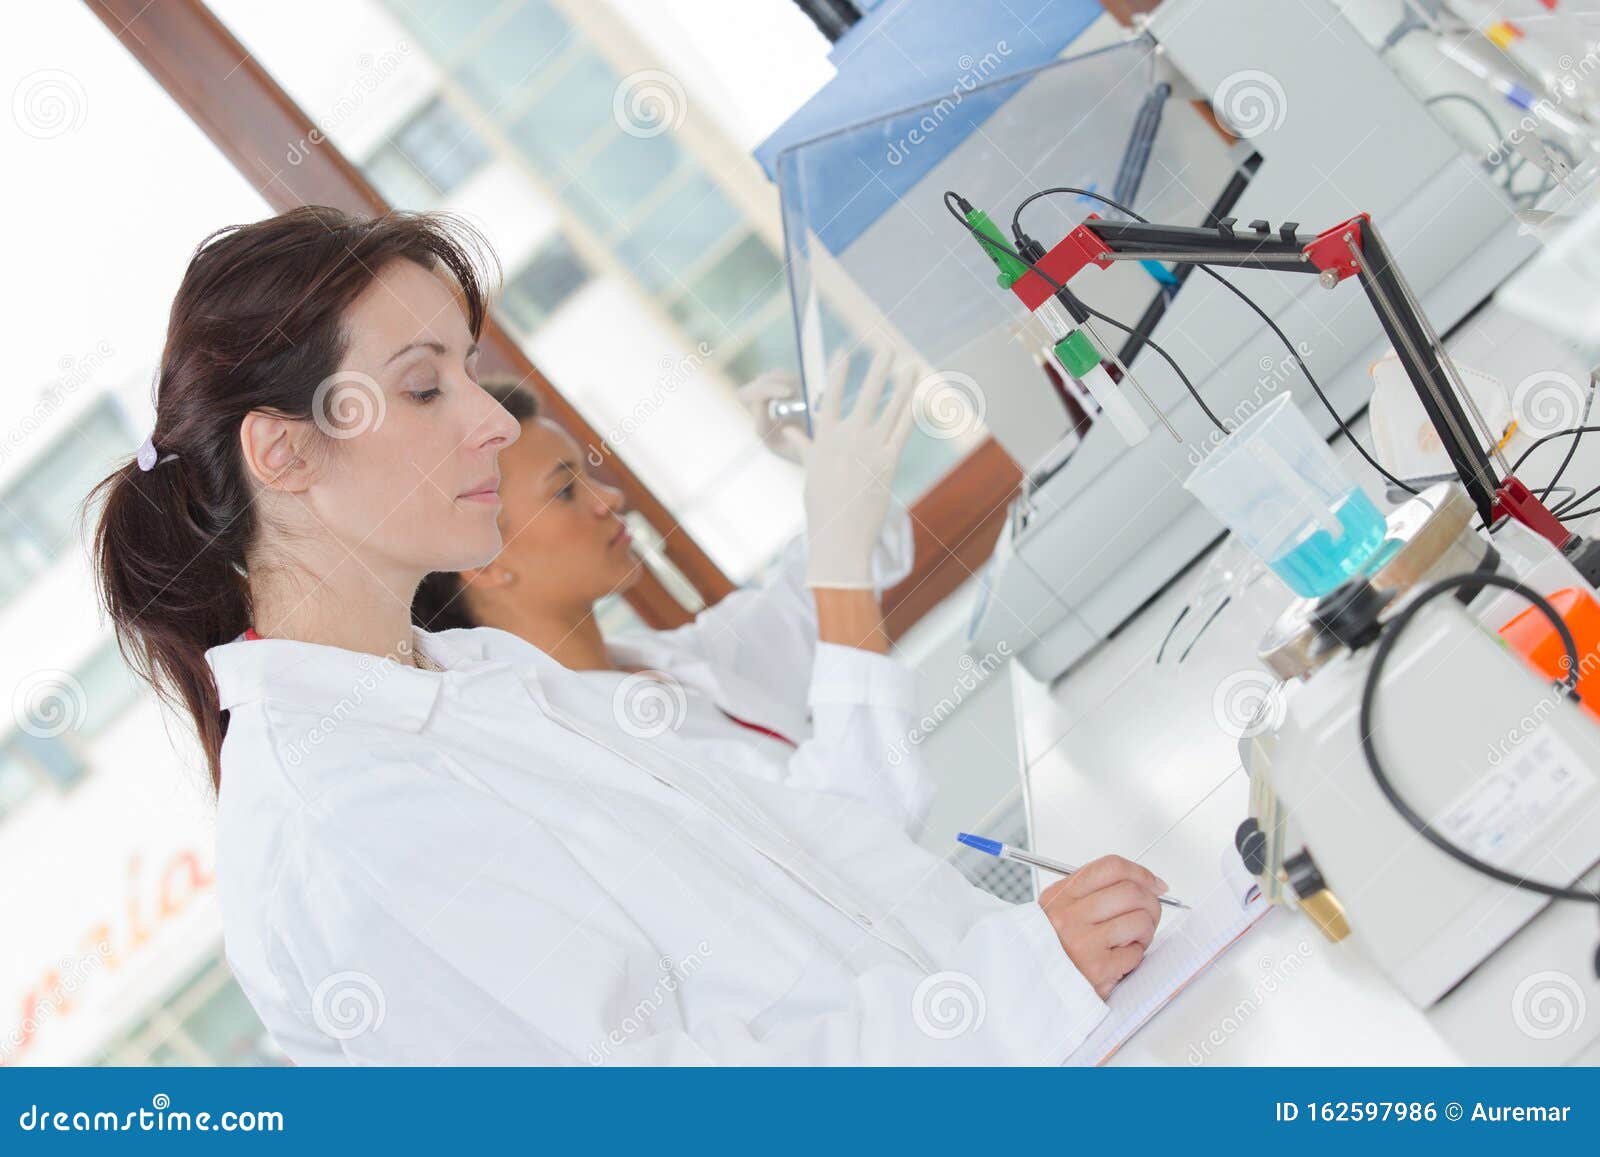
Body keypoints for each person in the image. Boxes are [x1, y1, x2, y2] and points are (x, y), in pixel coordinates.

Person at [92, 205, 1170, 1065]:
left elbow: (809, 860)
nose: (493, 421)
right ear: (283, 454)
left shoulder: (478, 675)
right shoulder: (340, 821)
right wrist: (1014, 989)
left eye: (466, 370)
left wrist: (1019, 963)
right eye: (423, 386)